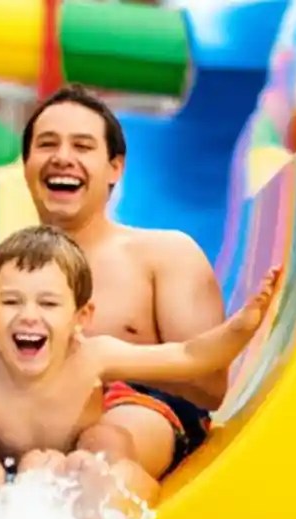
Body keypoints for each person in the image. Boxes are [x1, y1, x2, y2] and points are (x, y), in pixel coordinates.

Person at [0, 226, 280, 519]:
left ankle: (118, 518)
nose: (28, 316)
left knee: (94, 463)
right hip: (24, 472)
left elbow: (188, 355)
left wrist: (241, 326)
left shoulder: (92, 356)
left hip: (81, 463)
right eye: (11, 302)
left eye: (48, 304)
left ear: (81, 318)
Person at [19, 84, 230, 494]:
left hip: (140, 415)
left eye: (82, 146)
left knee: (102, 446)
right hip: (35, 419)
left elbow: (212, 387)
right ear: (26, 162)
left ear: (115, 167)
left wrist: (106, 362)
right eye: (47, 144)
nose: (63, 158)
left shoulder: (165, 255)